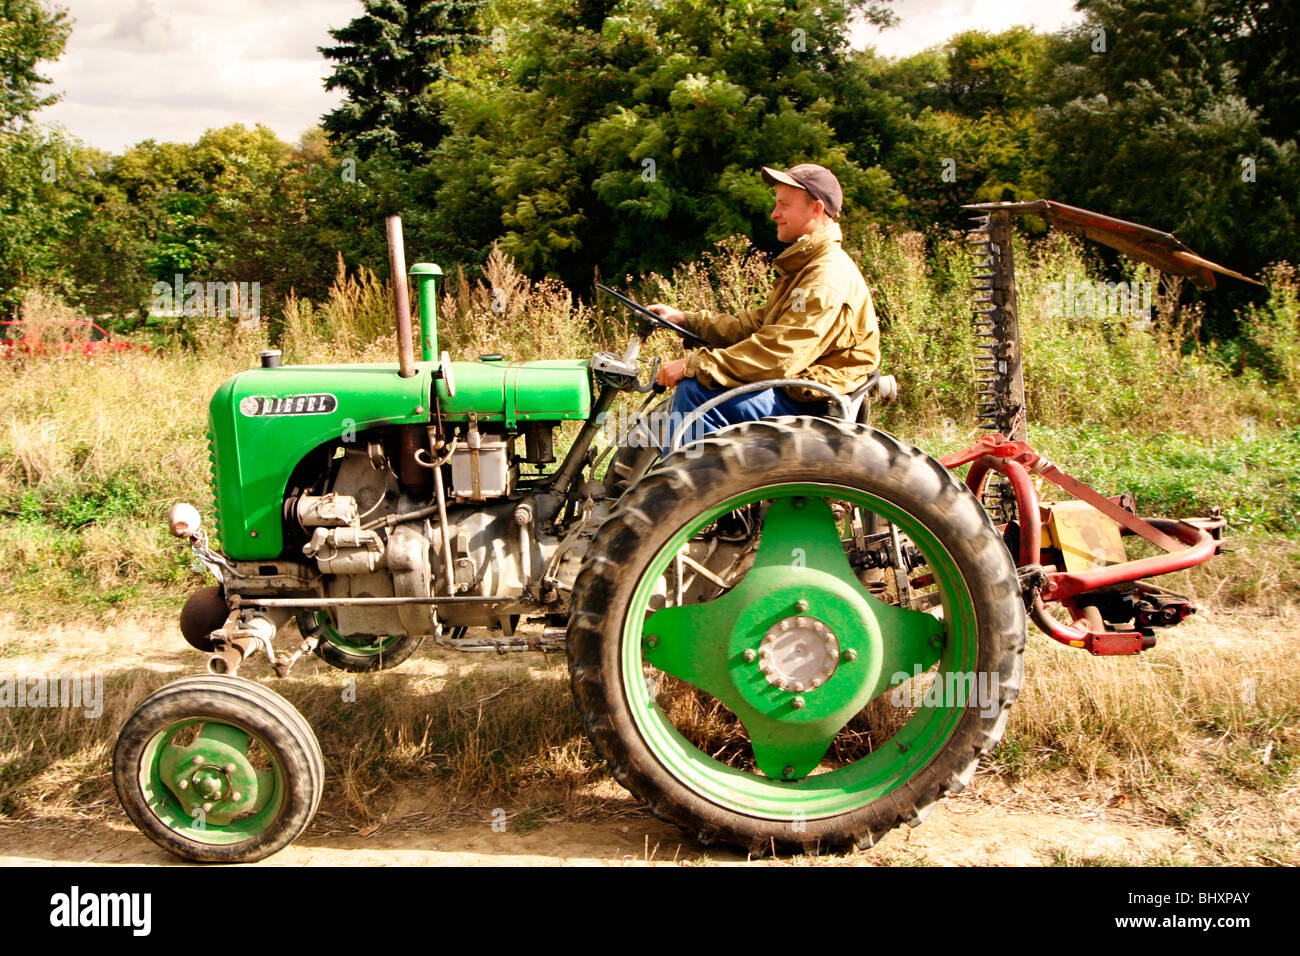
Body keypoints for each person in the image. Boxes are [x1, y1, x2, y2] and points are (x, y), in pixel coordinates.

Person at [646, 163, 879, 453]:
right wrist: (685, 320)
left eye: (784, 204)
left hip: (814, 403)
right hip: (797, 391)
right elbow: (754, 326)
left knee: (697, 396)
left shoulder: (826, 277)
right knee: (690, 393)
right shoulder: (806, 267)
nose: (774, 214)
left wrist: (696, 365)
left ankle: (686, 495)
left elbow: (779, 354)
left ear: (816, 209)